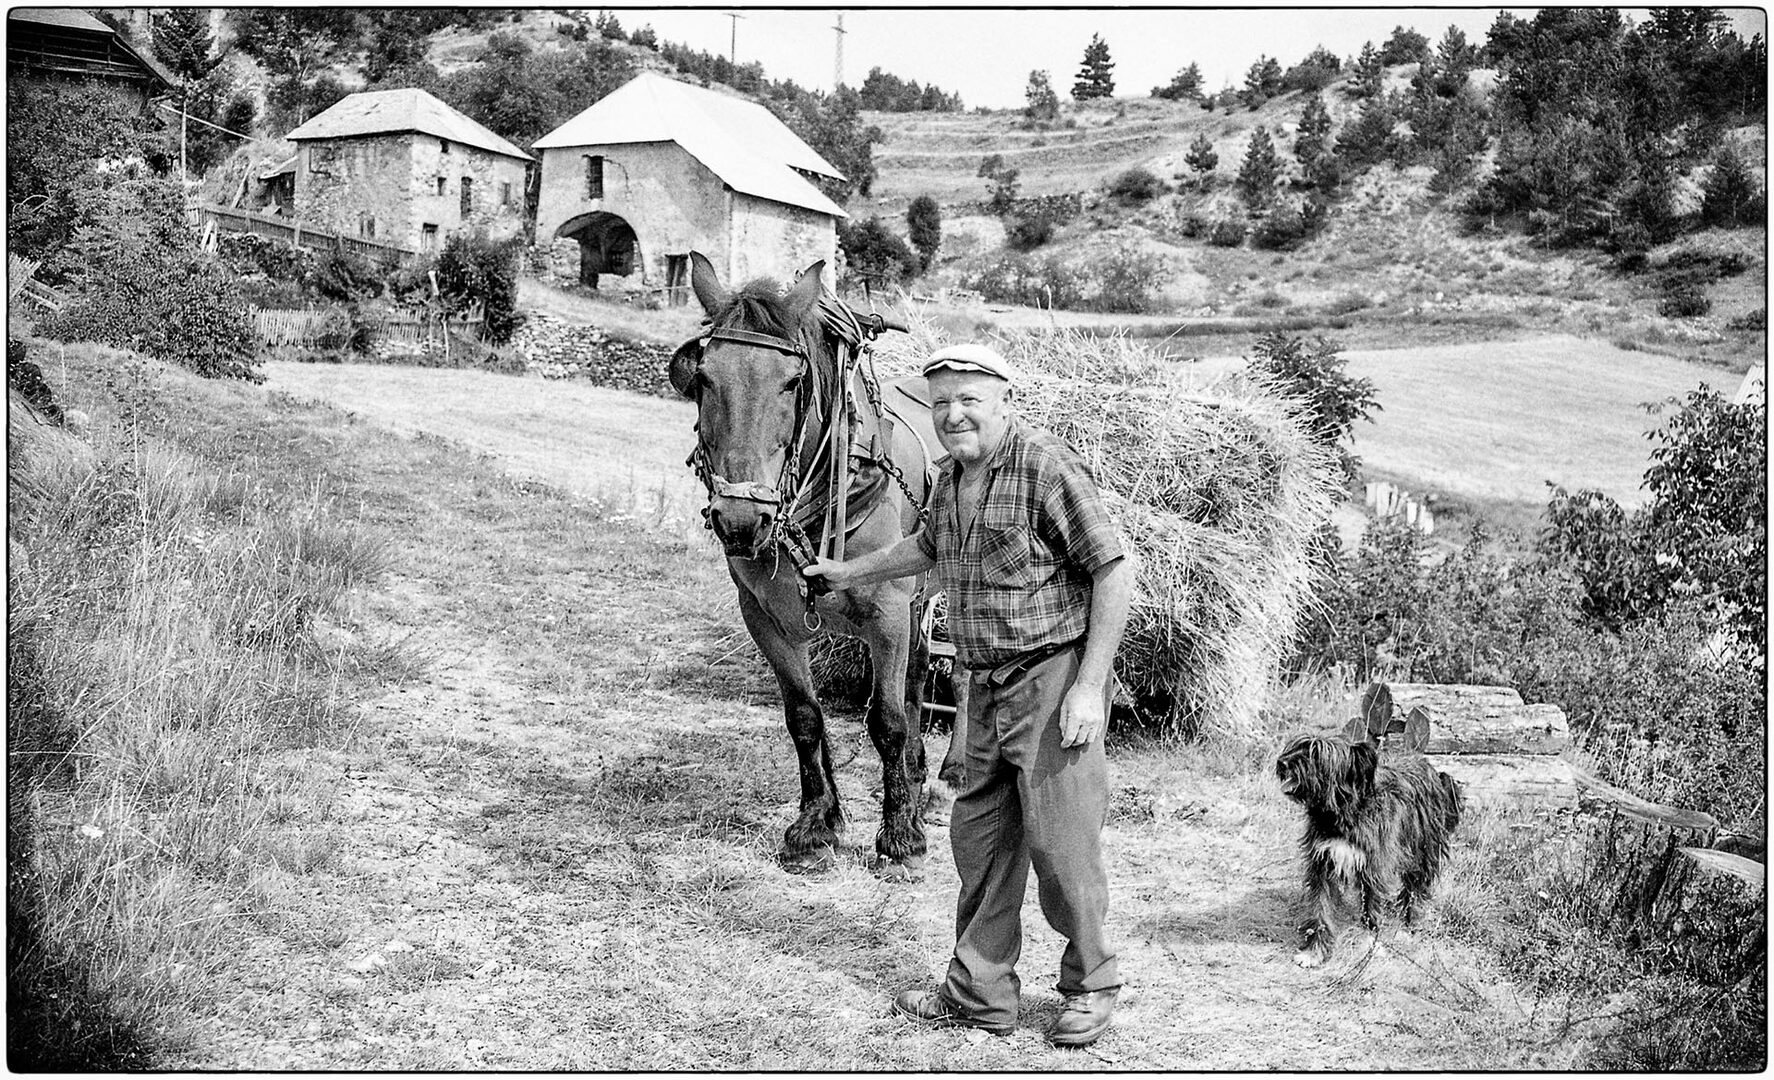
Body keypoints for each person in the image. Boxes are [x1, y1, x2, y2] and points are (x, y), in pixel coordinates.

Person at [804, 342, 1135, 1048]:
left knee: (1061, 847)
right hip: (983, 685)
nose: (955, 414)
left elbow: (1113, 570)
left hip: (1049, 681)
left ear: (1002, 400)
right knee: (979, 842)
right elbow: (923, 550)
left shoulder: (1043, 466)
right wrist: (844, 571)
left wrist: (1089, 686)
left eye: (969, 400)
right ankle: (981, 993)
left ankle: (1091, 984)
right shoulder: (952, 479)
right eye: (943, 401)